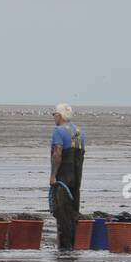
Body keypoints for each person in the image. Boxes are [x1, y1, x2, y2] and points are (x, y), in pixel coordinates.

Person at [49, 103, 85, 250]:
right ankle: (74, 242)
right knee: (73, 210)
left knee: (62, 210)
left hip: (63, 176)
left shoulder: (58, 131)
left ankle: (65, 247)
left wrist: (53, 175)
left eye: (54, 115)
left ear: (60, 115)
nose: (54, 118)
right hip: (77, 177)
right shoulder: (79, 131)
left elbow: (57, 154)